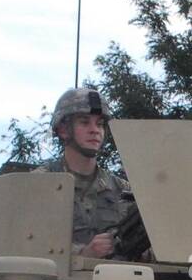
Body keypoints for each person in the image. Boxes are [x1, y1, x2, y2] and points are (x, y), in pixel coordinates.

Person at [36, 87, 138, 259]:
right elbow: (27, 243)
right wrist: (84, 253)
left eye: (99, 124)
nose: (95, 130)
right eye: (84, 122)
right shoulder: (39, 184)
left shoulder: (123, 190)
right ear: (63, 130)